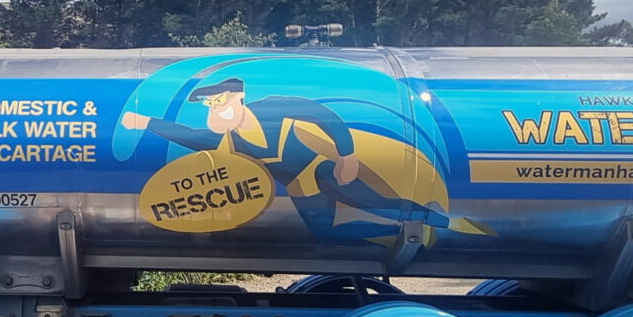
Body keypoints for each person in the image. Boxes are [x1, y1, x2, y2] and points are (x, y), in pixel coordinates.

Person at [122, 76, 452, 238]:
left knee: (372, 200)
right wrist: (145, 121)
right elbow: (190, 137)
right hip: (301, 189)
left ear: (239, 96)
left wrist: (346, 154)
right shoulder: (227, 139)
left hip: (324, 170)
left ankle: (428, 215)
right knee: (326, 236)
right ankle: (393, 232)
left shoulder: (276, 109)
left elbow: (324, 114)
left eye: (218, 100)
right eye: (209, 105)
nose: (214, 109)